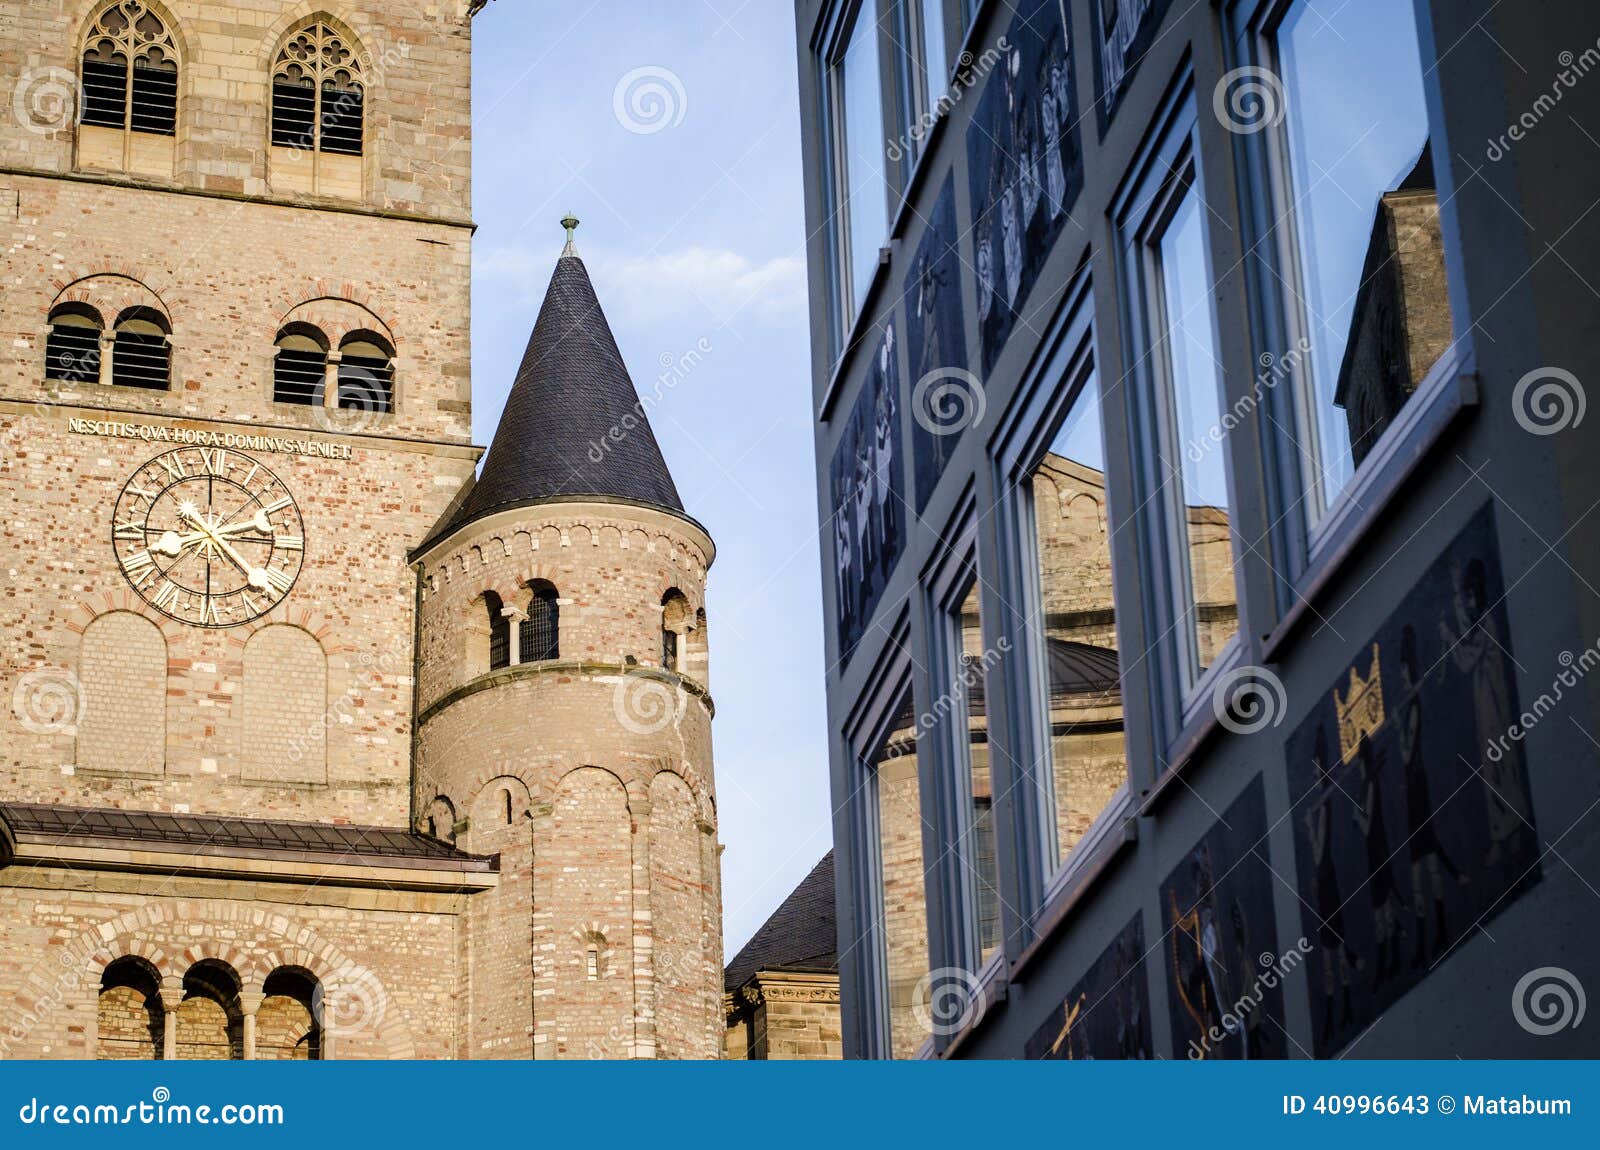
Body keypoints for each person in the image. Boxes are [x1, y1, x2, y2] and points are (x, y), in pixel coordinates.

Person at [1398, 624, 1468, 967]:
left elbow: (1408, 750)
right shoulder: (1410, 704)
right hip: (1413, 788)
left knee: (1424, 860)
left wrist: (1400, 730)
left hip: (1418, 784)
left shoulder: (1413, 707)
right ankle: (1431, 930)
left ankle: (1437, 927)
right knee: (1420, 861)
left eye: (1404, 671)